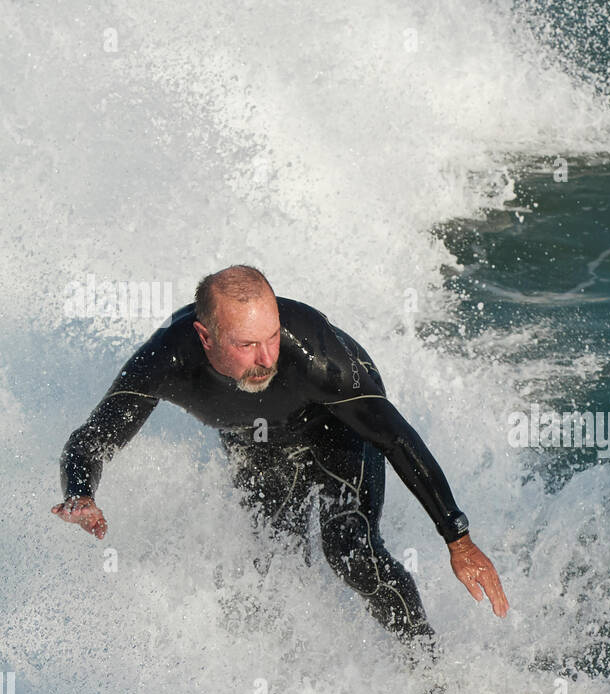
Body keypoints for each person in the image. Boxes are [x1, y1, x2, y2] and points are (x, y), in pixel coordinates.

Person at [52, 265, 508, 671]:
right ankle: (287, 678)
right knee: (274, 561)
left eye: (271, 337)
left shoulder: (314, 357)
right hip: (255, 440)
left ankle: (425, 664)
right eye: (247, 345)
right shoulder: (166, 362)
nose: (268, 358)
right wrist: (81, 492)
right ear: (205, 337)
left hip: (336, 427)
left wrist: (457, 537)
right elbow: (92, 438)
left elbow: (394, 436)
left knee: (352, 553)